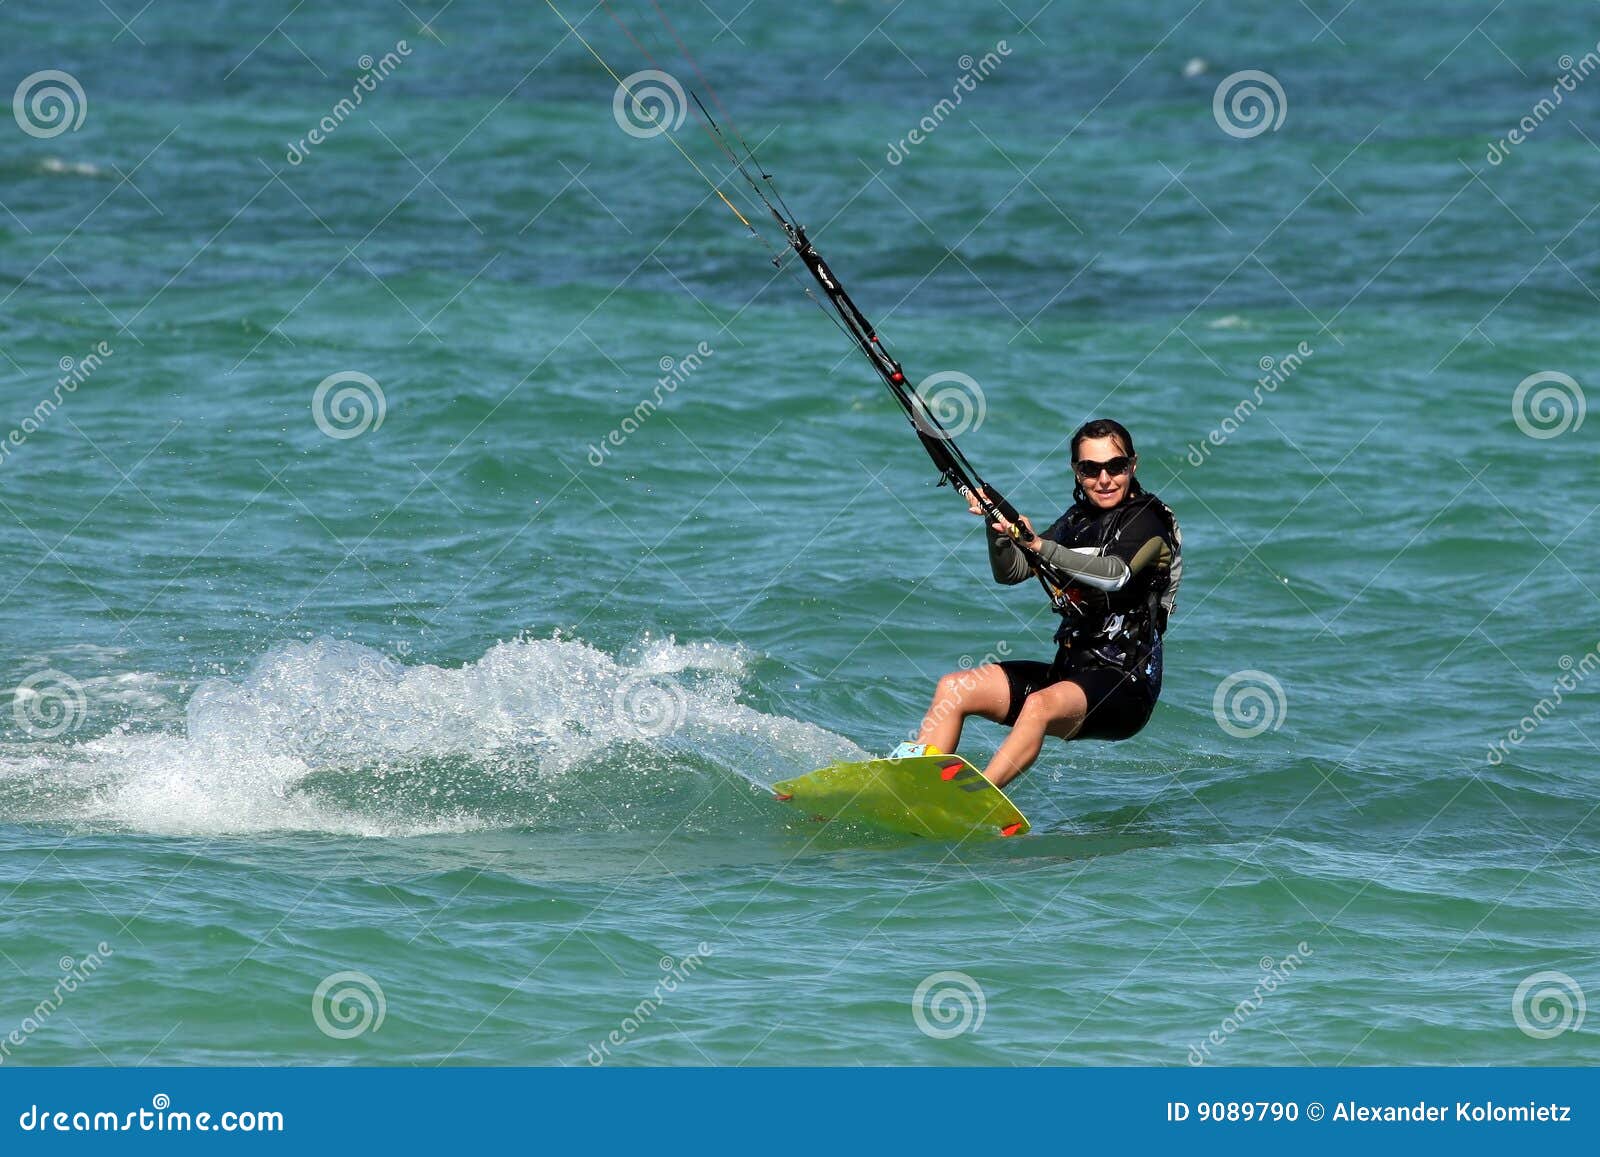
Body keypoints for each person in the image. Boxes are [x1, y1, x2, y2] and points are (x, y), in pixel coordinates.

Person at [896, 418, 1182, 788]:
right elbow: (1013, 572)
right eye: (1090, 469)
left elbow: (1115, 574)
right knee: (955, 688)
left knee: (1039, 706)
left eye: (1116, 466)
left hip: (1125, 685)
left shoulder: (1149, 521)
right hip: (1071, 673)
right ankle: (912, 786)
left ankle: (976, 797)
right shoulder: (1076, 522)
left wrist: (1037, 545)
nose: (1105, 479)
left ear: (1133, 465)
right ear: (1076, 472)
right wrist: (998, 529)